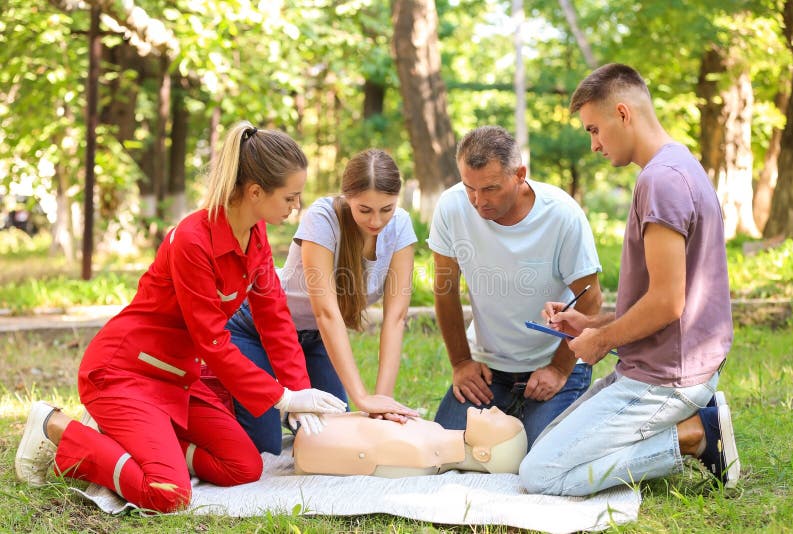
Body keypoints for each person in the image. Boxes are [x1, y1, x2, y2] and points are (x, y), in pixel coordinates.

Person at [14, 122, 347, 512]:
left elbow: (275, 320)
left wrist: (300, 397)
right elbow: (212, 342)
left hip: (177, 378)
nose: (296, 207)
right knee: (169, 494)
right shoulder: (192, 238)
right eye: (291, 197)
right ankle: (56, 426)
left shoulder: (255, 236)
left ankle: (131, 444)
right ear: (256, 192)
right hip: (124, 373)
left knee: (244, 466)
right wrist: (282, 396)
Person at [519, 63, 739, 497]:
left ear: (623, 113)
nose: (595, 144)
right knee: (546, 450)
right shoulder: (678, 165)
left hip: (666, 379)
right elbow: (667, 299)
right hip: (661, 366)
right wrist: (591, 324)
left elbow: (667, 303)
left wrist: (600, 344)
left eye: (595, 129)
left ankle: (694, 435)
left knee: (540, 475)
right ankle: (693, 419)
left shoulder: (661, 181)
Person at [227, 148, 419, 455]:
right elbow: (327, 312)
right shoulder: (323, 217)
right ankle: (218, 396)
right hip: (257, 328)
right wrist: (361, 397)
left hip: (315, 340)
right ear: (347, 197)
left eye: (387, 208)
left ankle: (281, 409)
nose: (377, 220)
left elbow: (395, 319)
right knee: (264, 447)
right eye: (365, 209)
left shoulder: (400, 226)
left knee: (333, 439)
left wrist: (379, 402)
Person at [429, 125, 603, 450]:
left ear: (520, 175)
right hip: (488, 367)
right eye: (470, 187)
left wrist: (559, 369)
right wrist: (461, 363)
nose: (479, 202)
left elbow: (591, 300)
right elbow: (444, 290)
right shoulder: (452, 206)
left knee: (544, 459)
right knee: (443, 451)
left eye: (491, 188)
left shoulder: (562, 216)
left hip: (553, 361)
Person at [293, 407, 527, 477]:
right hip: (315, 430)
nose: (496, 409)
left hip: (312, 442)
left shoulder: (420, 457)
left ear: (483, 454)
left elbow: (360, 453)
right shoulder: (432, 435)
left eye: (500, 420)